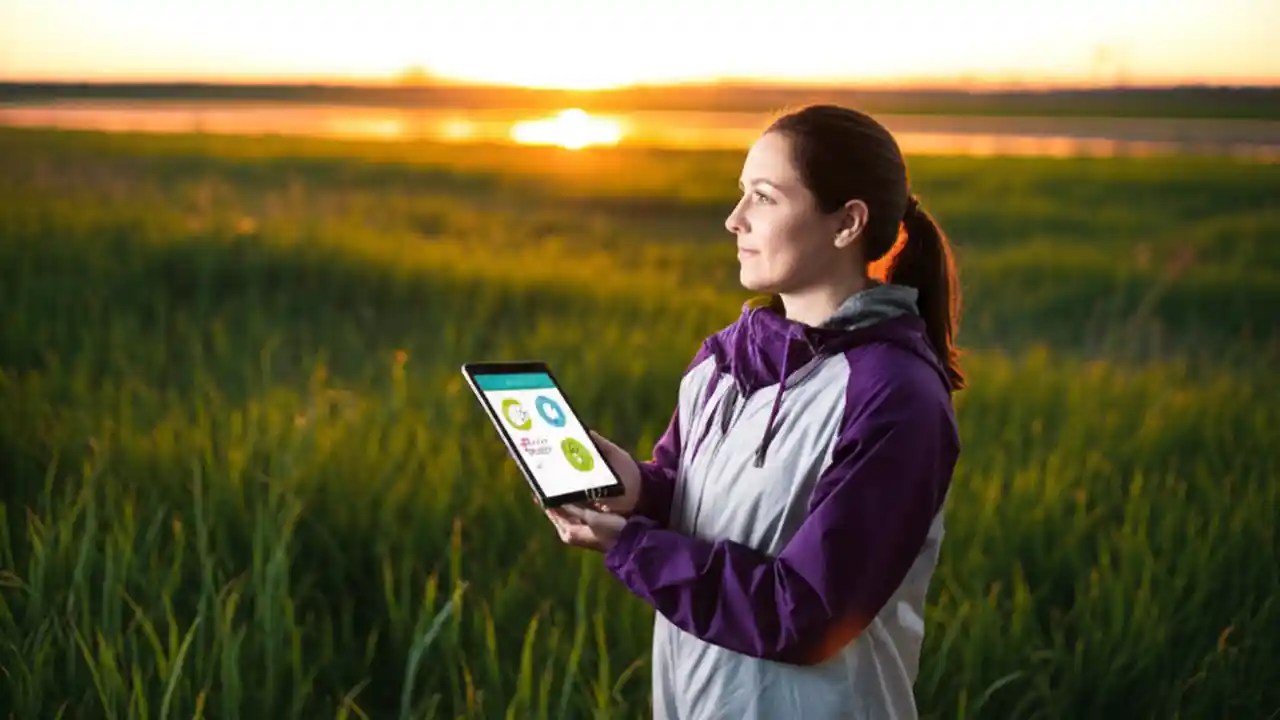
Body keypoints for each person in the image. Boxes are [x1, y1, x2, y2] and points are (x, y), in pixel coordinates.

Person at [544, 104, 964, 720]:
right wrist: (637, 490)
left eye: (764, 197)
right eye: (741, 194)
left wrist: (632, 547)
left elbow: (807, 613)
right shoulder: (722, 361)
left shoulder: (896, 396)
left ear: (847, 223)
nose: (734, 219)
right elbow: (698, 502)